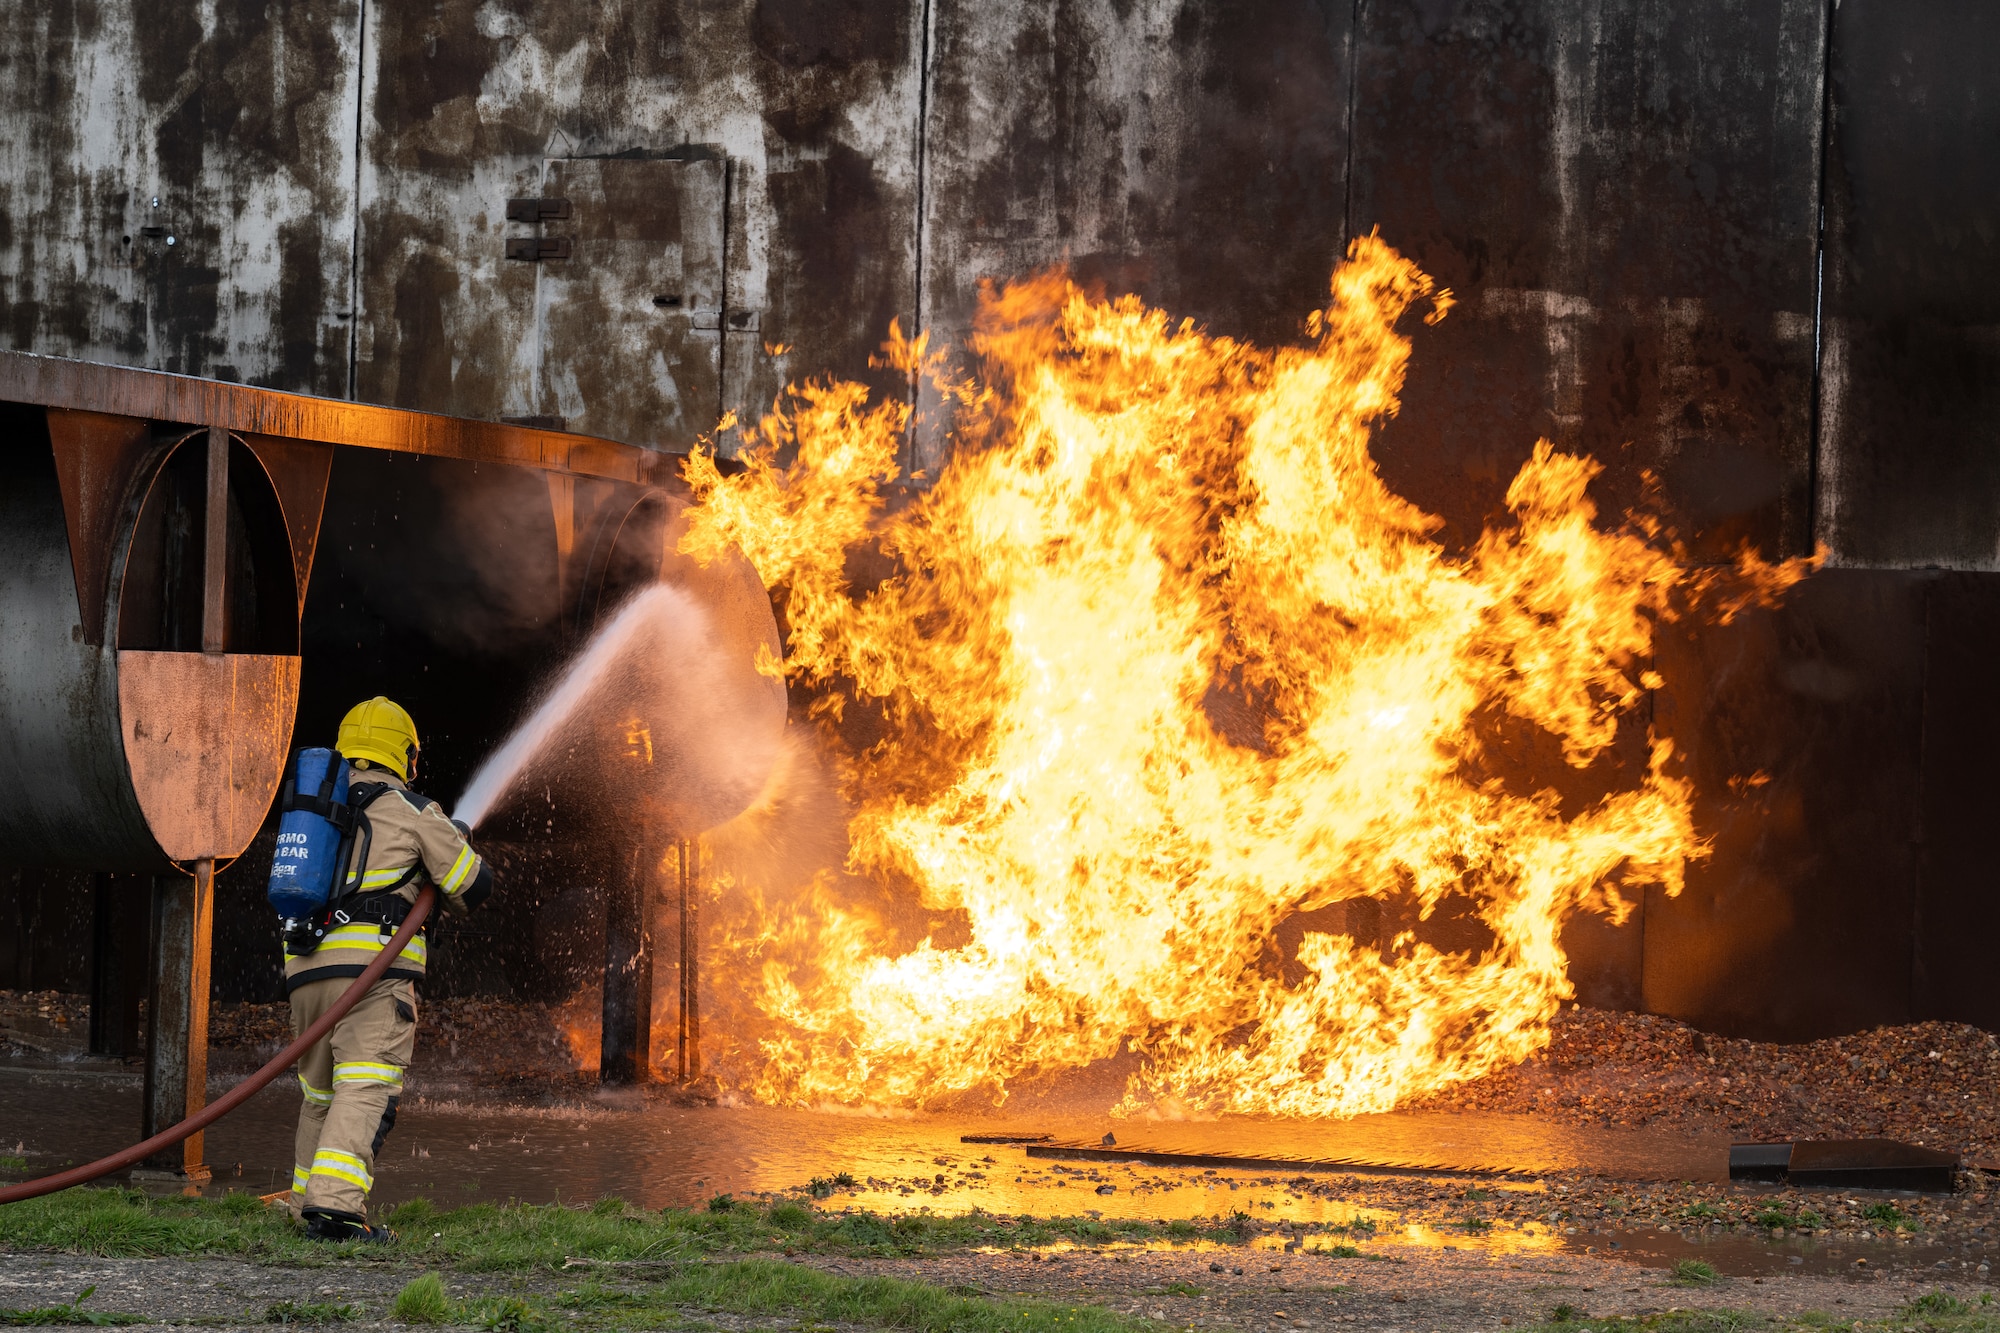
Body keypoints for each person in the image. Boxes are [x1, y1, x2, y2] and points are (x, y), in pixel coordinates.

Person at [285, 697, 493, 1242]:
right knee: (366, 1086)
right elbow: (473, 886)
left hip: (305, 974)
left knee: (321, 1094)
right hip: (371, 980)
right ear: (403, 753)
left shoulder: (317, 808)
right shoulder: (412, 809)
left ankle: (304, 1204)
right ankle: (334, 1214)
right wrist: (456, 838)